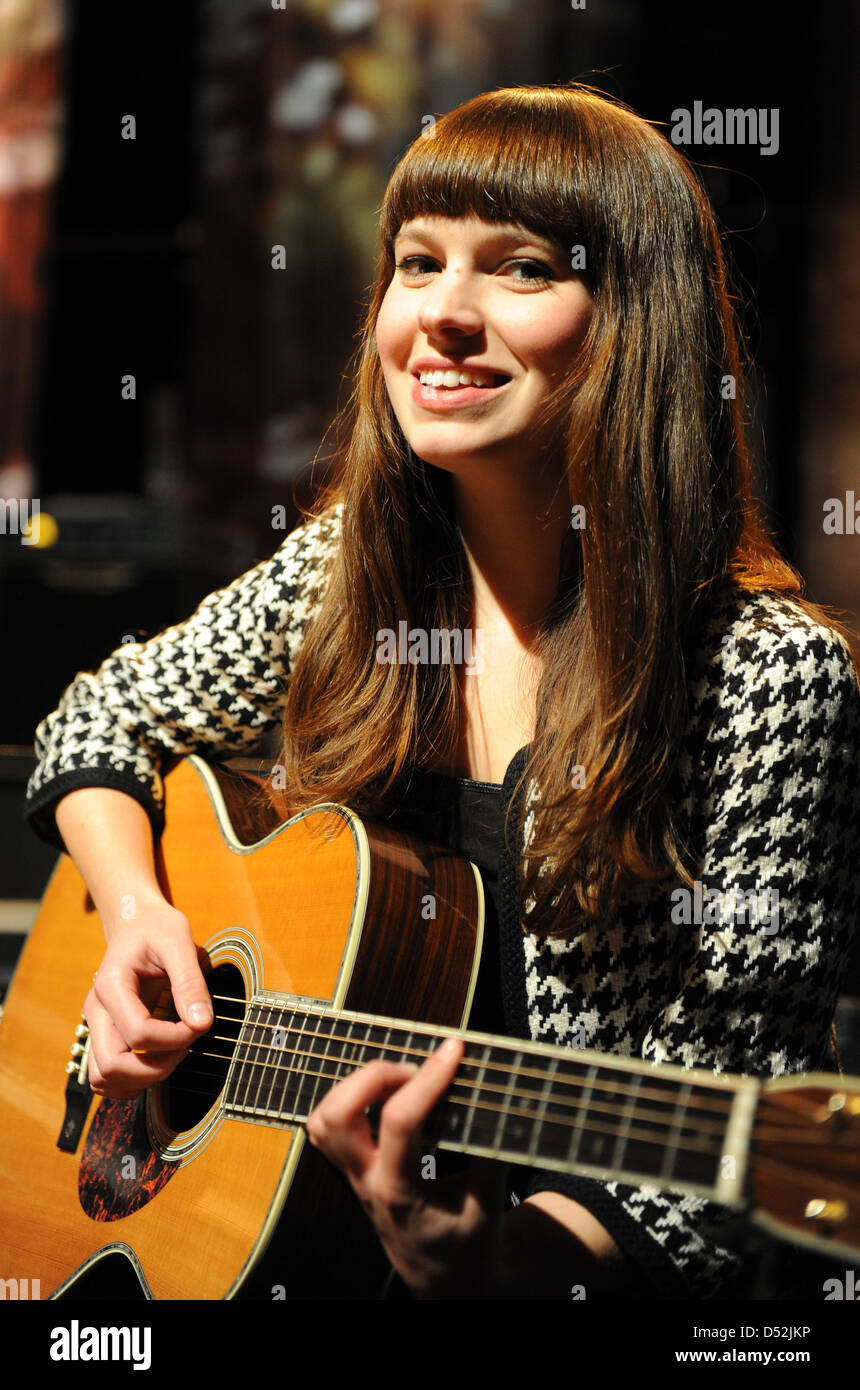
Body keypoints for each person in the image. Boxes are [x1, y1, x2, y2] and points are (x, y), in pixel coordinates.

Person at [25, 82, 860, 1301]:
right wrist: (137, 916)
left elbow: (706, 1189)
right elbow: (96, 720)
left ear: (638, 318)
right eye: (417, 264)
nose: (443, 317)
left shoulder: (764, 678)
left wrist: (497, 1266)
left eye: (519, 269)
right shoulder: (350, 568)